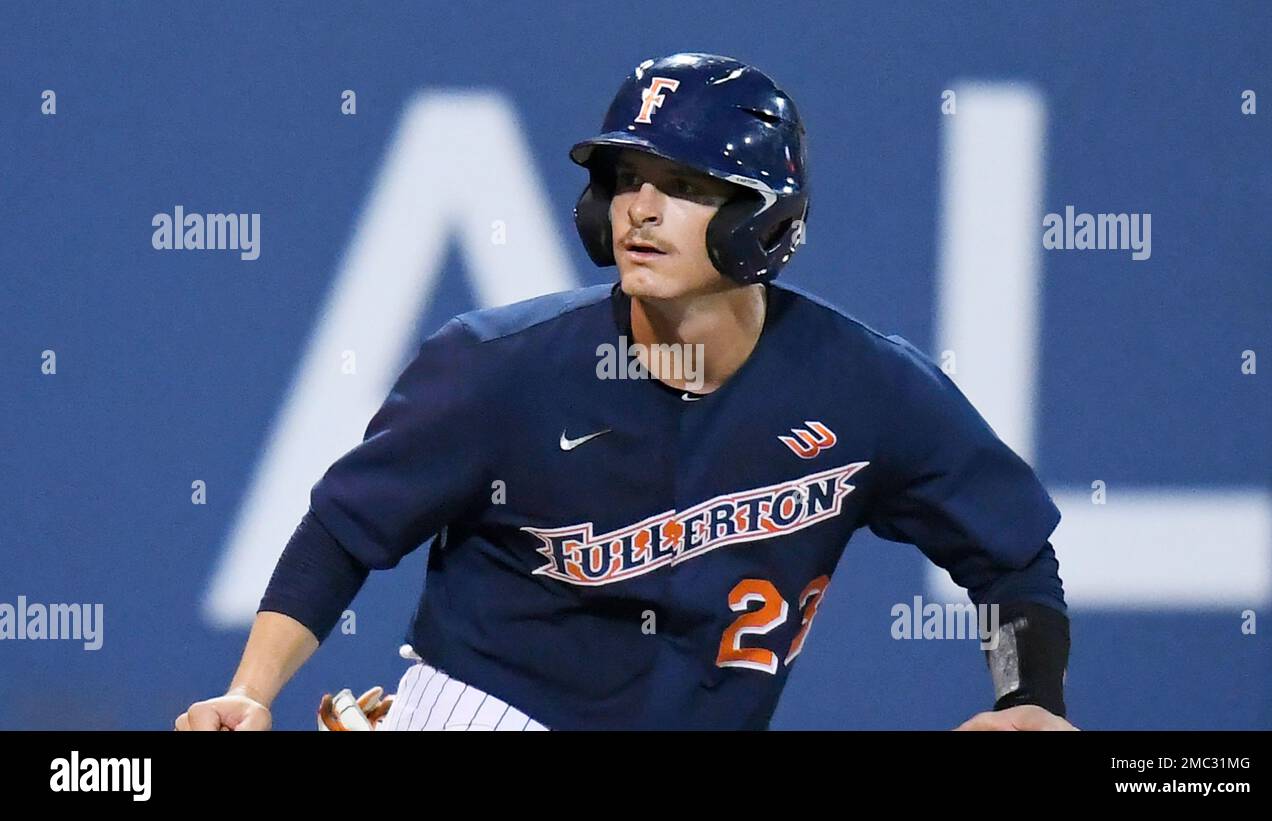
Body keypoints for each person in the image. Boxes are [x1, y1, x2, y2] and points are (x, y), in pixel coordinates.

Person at [176, 52, 1074, 732]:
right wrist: (252, 692)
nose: (640, 209)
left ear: (763, 219)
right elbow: (342, 529)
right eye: (626, 180)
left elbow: (1010, 551)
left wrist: (1030, 696)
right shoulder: (502, 368)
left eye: (682, 186)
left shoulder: (866, 388)